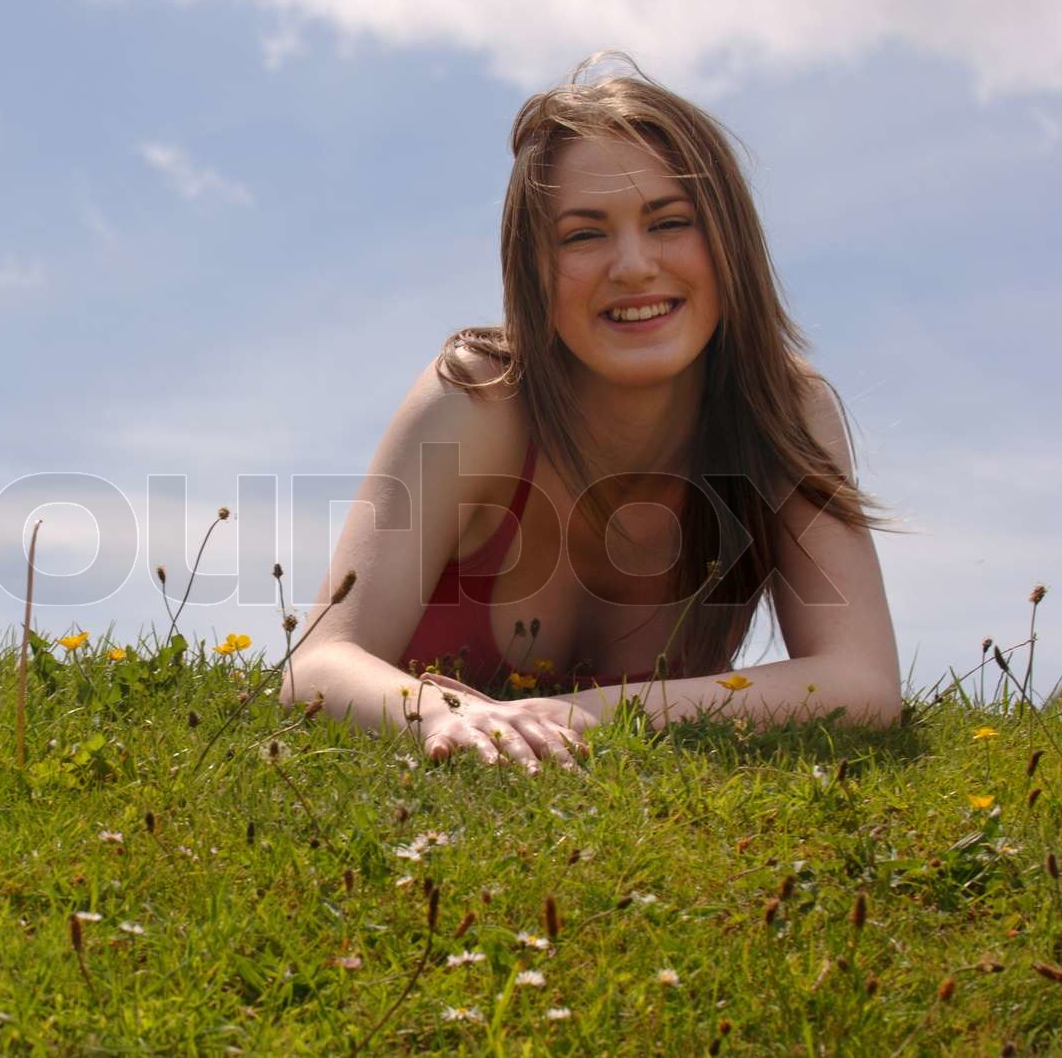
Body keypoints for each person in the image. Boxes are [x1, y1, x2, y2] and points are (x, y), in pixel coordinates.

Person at [290, 52, 901, 774]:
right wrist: (446, 715)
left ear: (730, 242)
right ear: (533, 270)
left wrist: (575, 715)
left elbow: (862, 681)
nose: (634, 265)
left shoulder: (783, 411)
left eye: (670, 221)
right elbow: (319, 662)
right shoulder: (478, 400)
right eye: (584, 234)